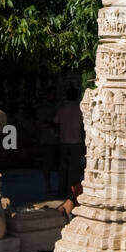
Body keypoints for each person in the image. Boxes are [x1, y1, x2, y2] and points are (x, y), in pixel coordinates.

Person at [54, 87, 85, 218]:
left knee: (63, 166)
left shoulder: (62, 109)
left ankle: (63, 189)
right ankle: (72, 192)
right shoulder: (80, 110)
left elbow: (56, 122)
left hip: (64, 140)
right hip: (76, 141)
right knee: (74, 167)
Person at [36, 88, 59, 191]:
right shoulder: (44, 109)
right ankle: (47, 184)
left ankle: (51, 184)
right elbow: (40, 124)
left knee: (52, 162)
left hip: (54, 138)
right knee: (47, 163)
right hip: (47, 138)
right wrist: (52, 124)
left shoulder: (55, 107)